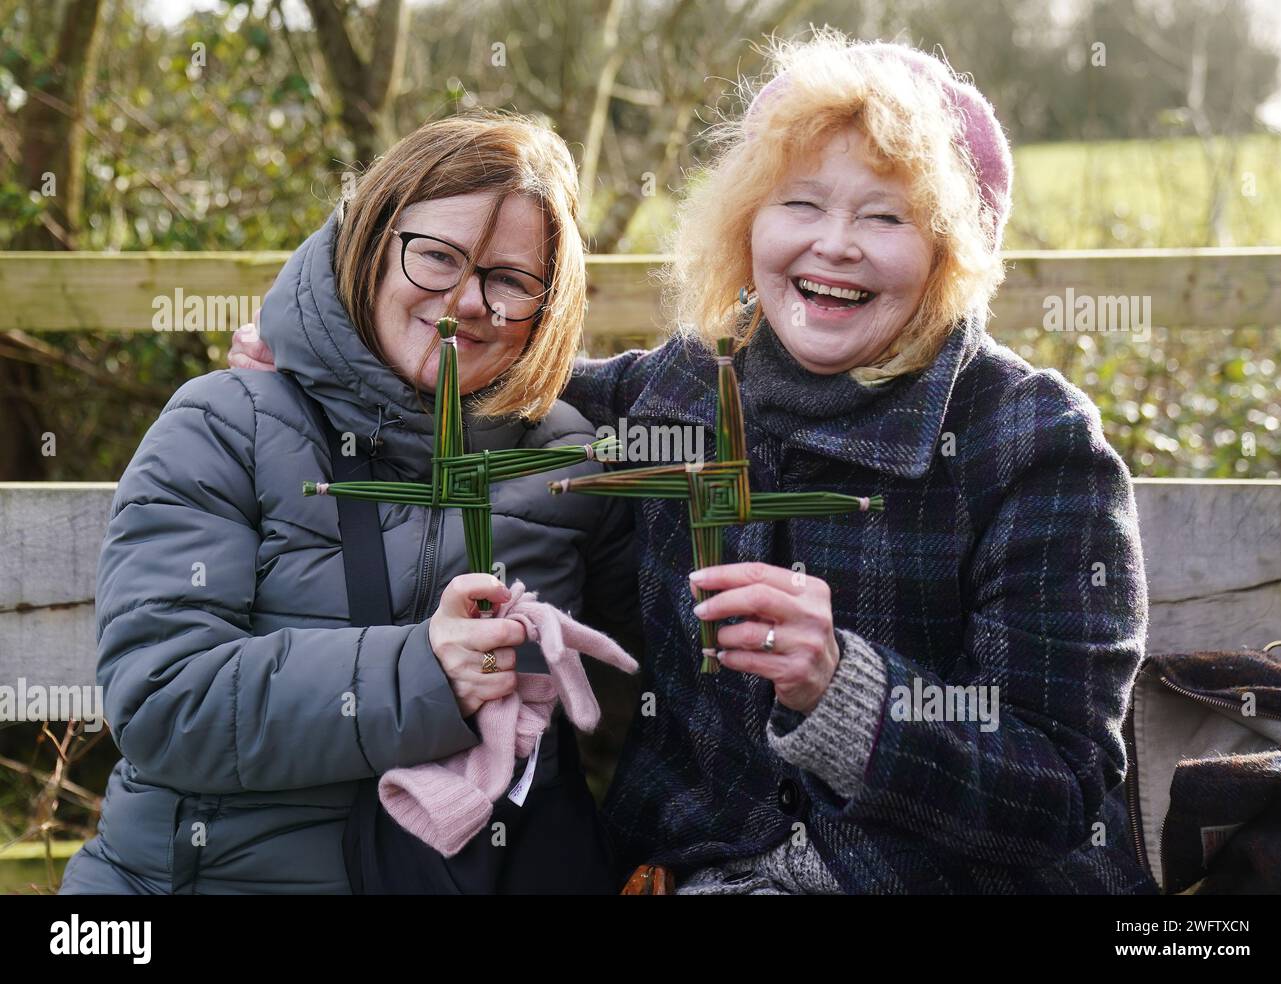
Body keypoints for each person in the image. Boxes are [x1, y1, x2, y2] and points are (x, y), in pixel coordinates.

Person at [231, 35, 1156, 894]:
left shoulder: (1031, 442)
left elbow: (1061, 790)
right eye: (800, 203)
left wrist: (847, 690)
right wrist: (314, 366)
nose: (834, 243)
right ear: (746, 225)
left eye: (887, 216)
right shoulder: (677, 392)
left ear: (951, 256)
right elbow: (488, 384)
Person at [60, 111, 638, 894]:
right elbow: (166, 703)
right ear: (371, 248)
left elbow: (655, 682)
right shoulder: (228, 422)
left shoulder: (572, 465)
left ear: (549, 303)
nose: (466, 301)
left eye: (508, 281)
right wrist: (424, 675)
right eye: (436, 256)